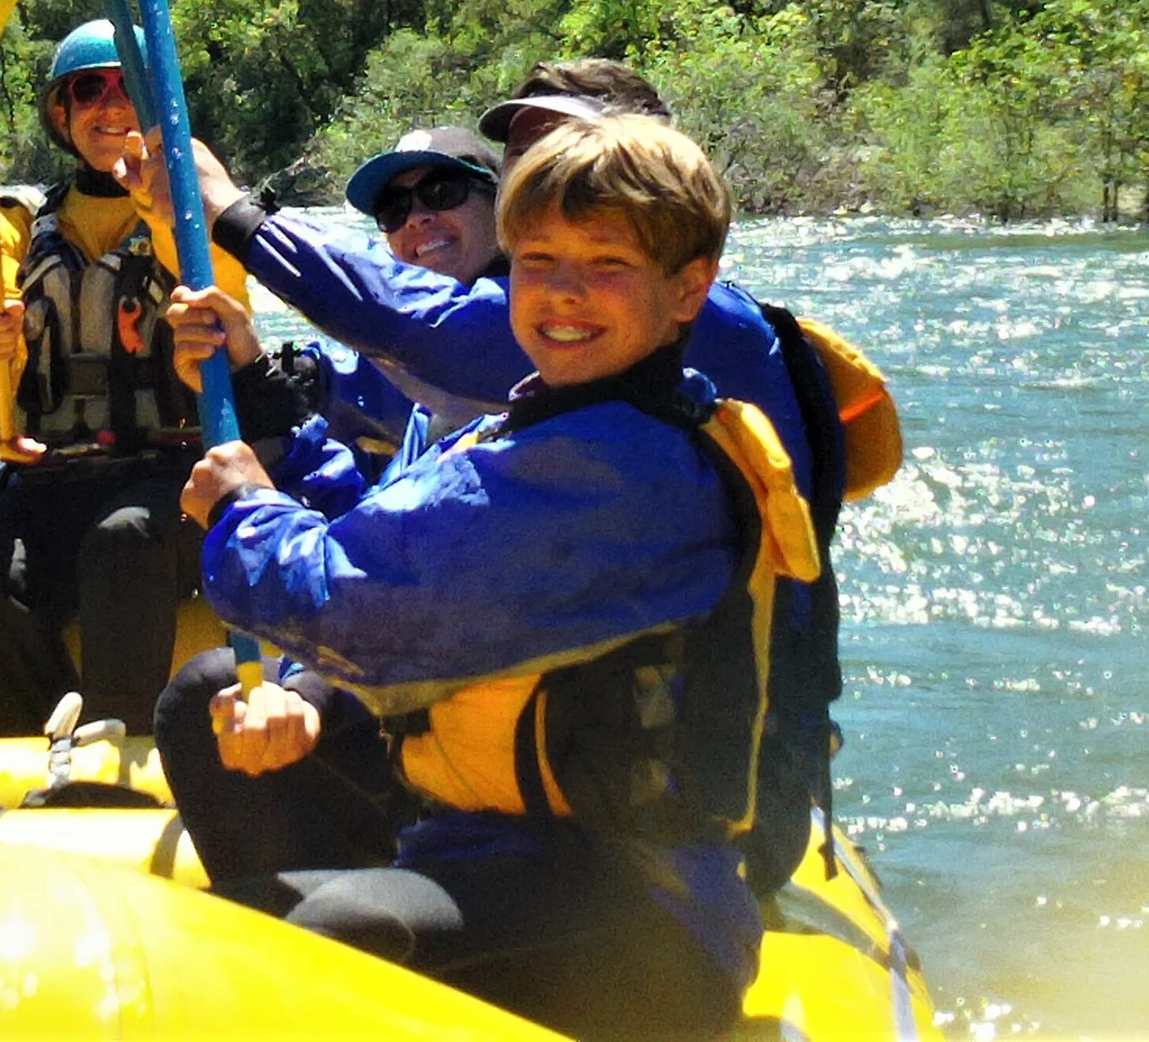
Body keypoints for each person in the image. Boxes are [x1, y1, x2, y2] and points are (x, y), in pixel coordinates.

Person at [126, 57, 897, 894]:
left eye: (573, 150)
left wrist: (232, 216)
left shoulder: (699, 340)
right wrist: (256, 382)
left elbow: (427, 334)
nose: (553, 182)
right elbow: (400, 525)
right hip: (553, 757)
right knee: (210, 698)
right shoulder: (528, 392)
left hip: (667, 827)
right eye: (526, 168)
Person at [171, 115, 820, 1040]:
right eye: (540, 260)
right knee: (237, 908)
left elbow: (349, 595)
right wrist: (267, 397)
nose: (562, 293)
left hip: (640, 910)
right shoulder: (537, 421)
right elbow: (390, 532)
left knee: (338, 934)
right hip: (493, 850)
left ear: (688, 292)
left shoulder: (628, 466)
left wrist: (244, 511)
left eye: (607, 266)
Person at [141, 123, 503, 886]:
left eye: (442, 192)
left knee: (206, 691)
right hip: (419, 694)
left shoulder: (517, 348)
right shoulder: (426, 391)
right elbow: (365, 521)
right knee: (209, 692)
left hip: (464, 715)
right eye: (395, 210)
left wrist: (311, 690)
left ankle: (327, 935)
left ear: (508, 205)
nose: (417, 220)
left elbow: (422, 582)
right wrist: (247, 370)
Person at [0, 20, 258, 735]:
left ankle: (120, 733)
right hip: (48, 481)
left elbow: (226, 297)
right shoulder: (13, 222)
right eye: (88, 90)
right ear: (61, 114)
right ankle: (44, 743)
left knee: (124, 539)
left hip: (168, 480)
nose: (110, 107)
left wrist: (161, 204)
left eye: (126, 89)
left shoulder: (191, 212)